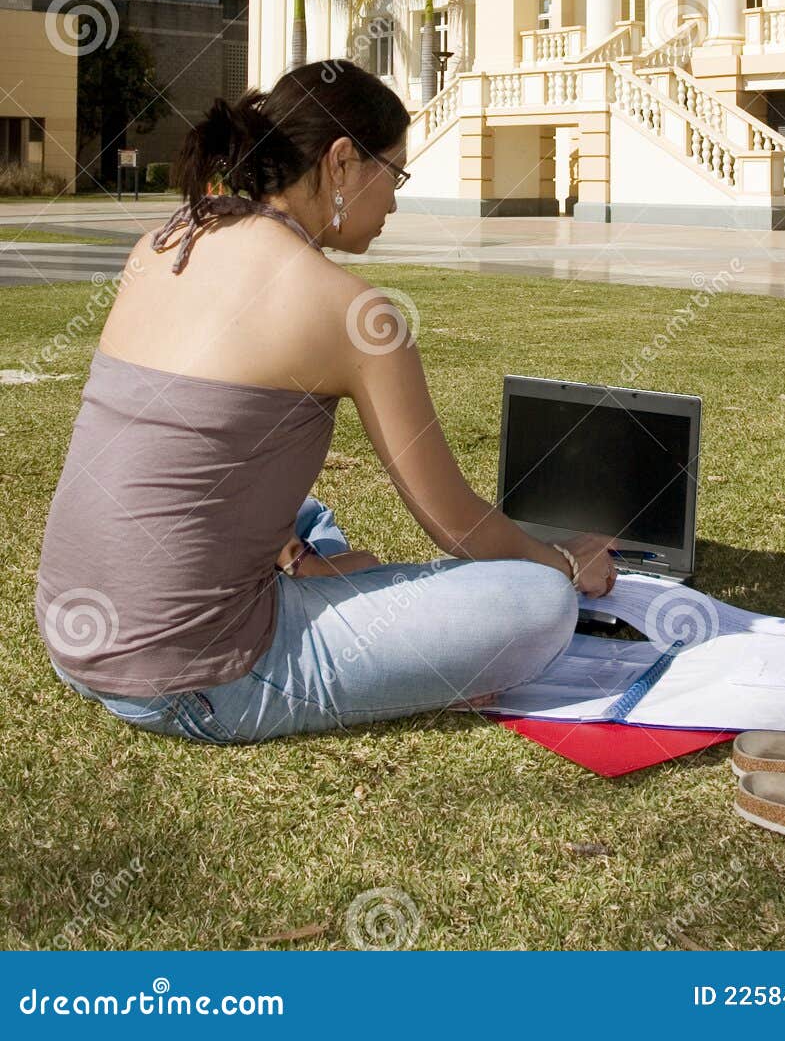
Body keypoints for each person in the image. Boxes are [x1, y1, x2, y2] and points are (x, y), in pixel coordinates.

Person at [35, 60, 617, 745]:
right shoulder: (352, 313)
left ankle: (304, 567)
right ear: (342, 162)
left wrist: (303, 557)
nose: (395, 204)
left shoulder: (168, 240)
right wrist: (569, 565)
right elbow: (457, 526)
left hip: (74, 638)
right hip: (194, 681)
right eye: (394, 176)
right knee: (538, 605)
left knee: (303, 509)